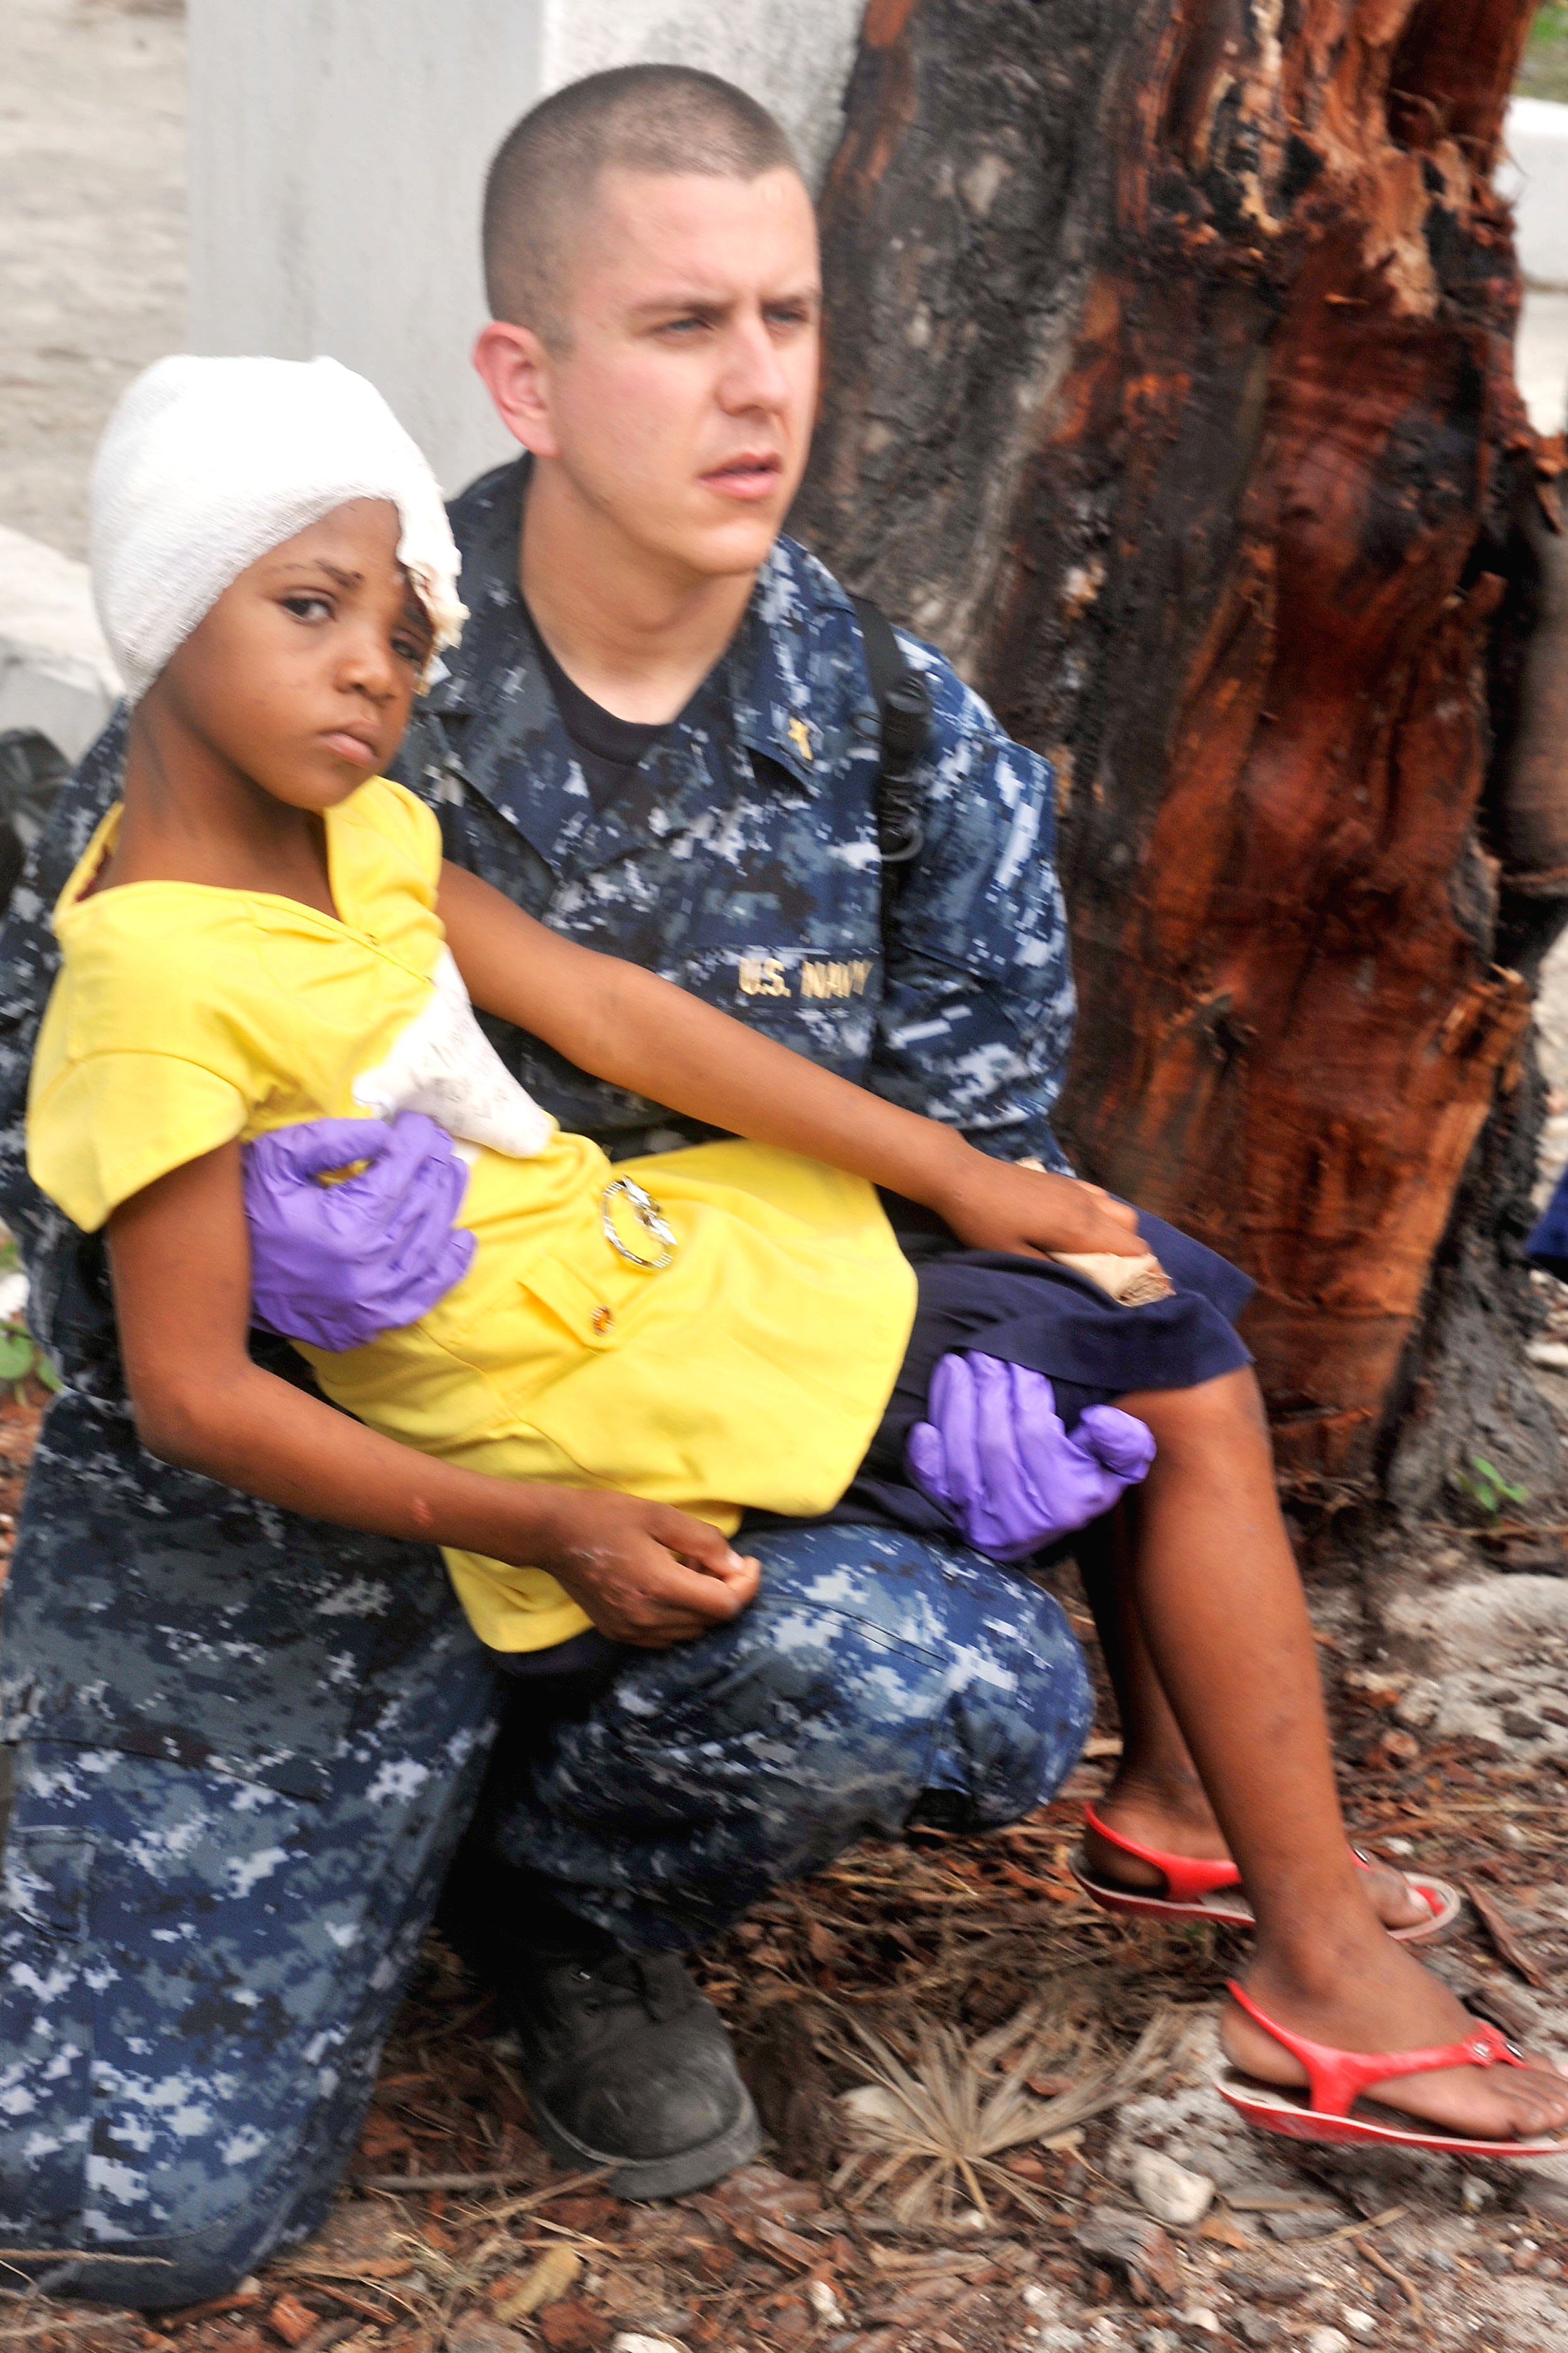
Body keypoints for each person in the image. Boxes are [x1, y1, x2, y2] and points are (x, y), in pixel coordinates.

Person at [0, 67, 1511, 2308]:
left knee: (955, 1664)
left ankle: (577, 1903)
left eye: (789, 319)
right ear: (526, 368)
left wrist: (1005, 1377)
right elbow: (101, 1152)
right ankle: (340, 1861)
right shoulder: (321, 623)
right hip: (300, 1531)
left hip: (677, 1413)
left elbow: (877, 1152)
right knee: (141, 2222)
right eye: (685, 323)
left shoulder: (904, 743)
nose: (758, 385)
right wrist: (198, 1255)